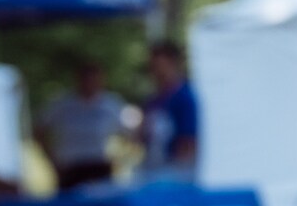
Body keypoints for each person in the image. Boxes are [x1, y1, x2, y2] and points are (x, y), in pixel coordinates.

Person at [37, 61, 128, 190]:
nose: (90, 84)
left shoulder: (111, 104)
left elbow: (130, 136)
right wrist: (52, 160)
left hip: (99, 167)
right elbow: (39, 129)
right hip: (69, 168)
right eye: (86, 79)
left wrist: (118, 160)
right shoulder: (62, 104)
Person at [139, 41, 200, 181]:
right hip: (153, 169)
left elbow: (189, 142)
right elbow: (144, 137)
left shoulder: (185, 97)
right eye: (153, 67)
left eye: (160, 66)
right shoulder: (152, 100)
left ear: (173, 64)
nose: (156, 72)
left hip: (177, 173)